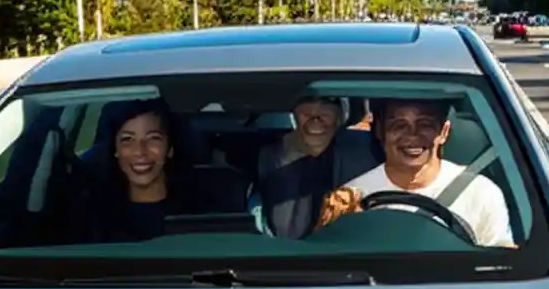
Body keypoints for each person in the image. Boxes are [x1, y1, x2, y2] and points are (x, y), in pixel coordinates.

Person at [319, 98, 514, 248]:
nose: (412, 135)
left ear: (444, 132)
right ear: (379, 131)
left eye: (425, 124)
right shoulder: (350, 199)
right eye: (398, 125)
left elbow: (502, 266)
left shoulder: (481, 193)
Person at [91, 99, 221, 242]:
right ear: (115, 150)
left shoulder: (203, 213)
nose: (140, 151)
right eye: (127, 139)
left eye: (153, 138)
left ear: (169, 148)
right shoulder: (95, 217)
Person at [252, 96, 380, 239]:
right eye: (307, 100)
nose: (315, 115)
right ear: (294, 111)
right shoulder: (259, 155)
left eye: (328, 101)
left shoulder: (367, 153)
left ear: (341, 115)